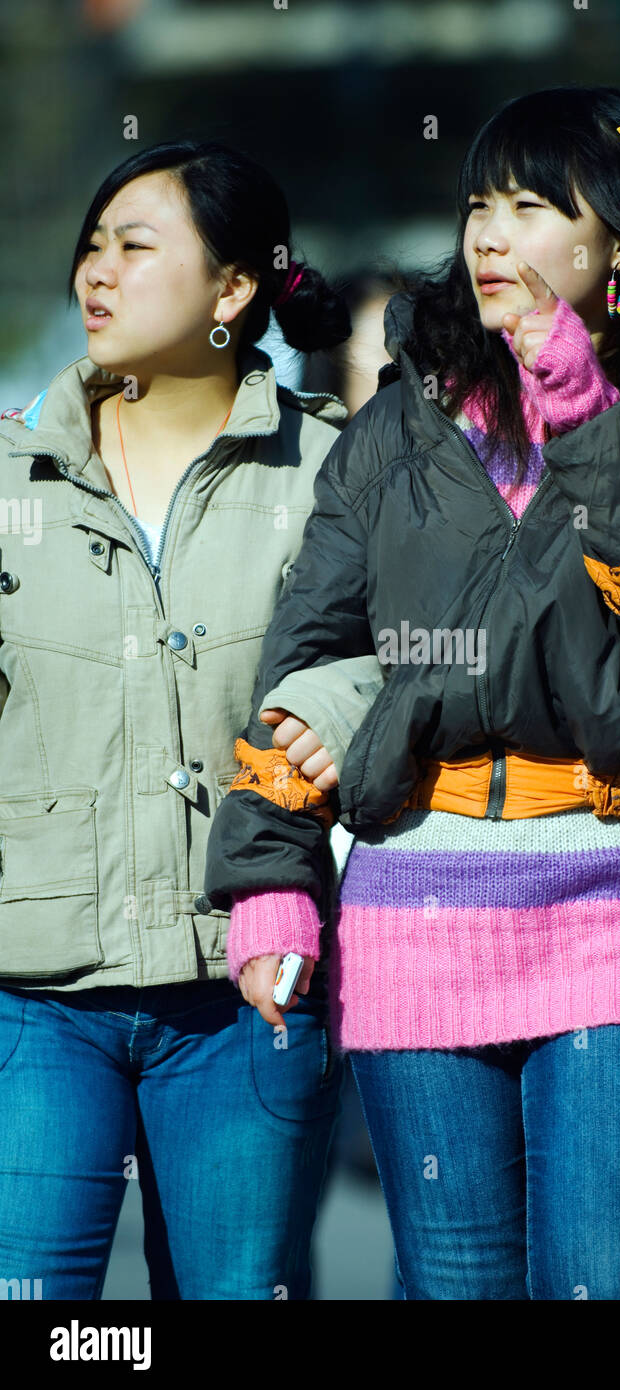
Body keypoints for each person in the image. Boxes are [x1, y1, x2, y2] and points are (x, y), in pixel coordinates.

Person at [205, 86, 620, 1300]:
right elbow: (304, 658)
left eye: (529, 204)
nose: (487, 233)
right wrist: (270, 884)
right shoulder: (399, 426)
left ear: (616, 241)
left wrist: (579, 401)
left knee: (599, 1277)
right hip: (419, 897)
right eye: (477, 203)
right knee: (452, 1287)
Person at [0, 138, 374, 1300]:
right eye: (92, 246)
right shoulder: (11, 477)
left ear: (232, 290)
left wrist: (336, 701)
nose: (95, 273)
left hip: (249, 984)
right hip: (33, 989)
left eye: (135, 245)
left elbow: (413, 655)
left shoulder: (334, 468)